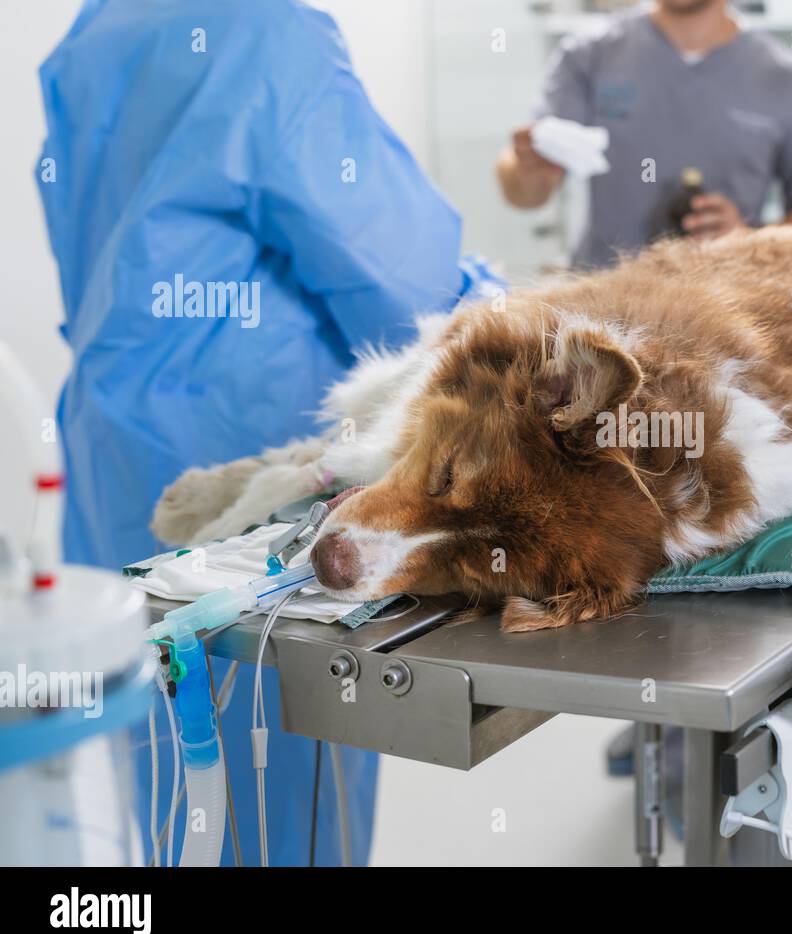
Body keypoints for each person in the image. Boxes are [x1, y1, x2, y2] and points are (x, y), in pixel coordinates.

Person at [37, 0, 494, 865]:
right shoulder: (266, 30)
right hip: (252, 443)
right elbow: (398, 274)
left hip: (115, 446)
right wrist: (498, 301)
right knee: (277, 775)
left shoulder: (96, 29)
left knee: (173, 773)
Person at [497, 0, 792, 268]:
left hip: (728, 311)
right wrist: (527, 170)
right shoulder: (590, 56)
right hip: (601, 309)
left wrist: (750, 240)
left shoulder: (784, 79)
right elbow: (524, 196)